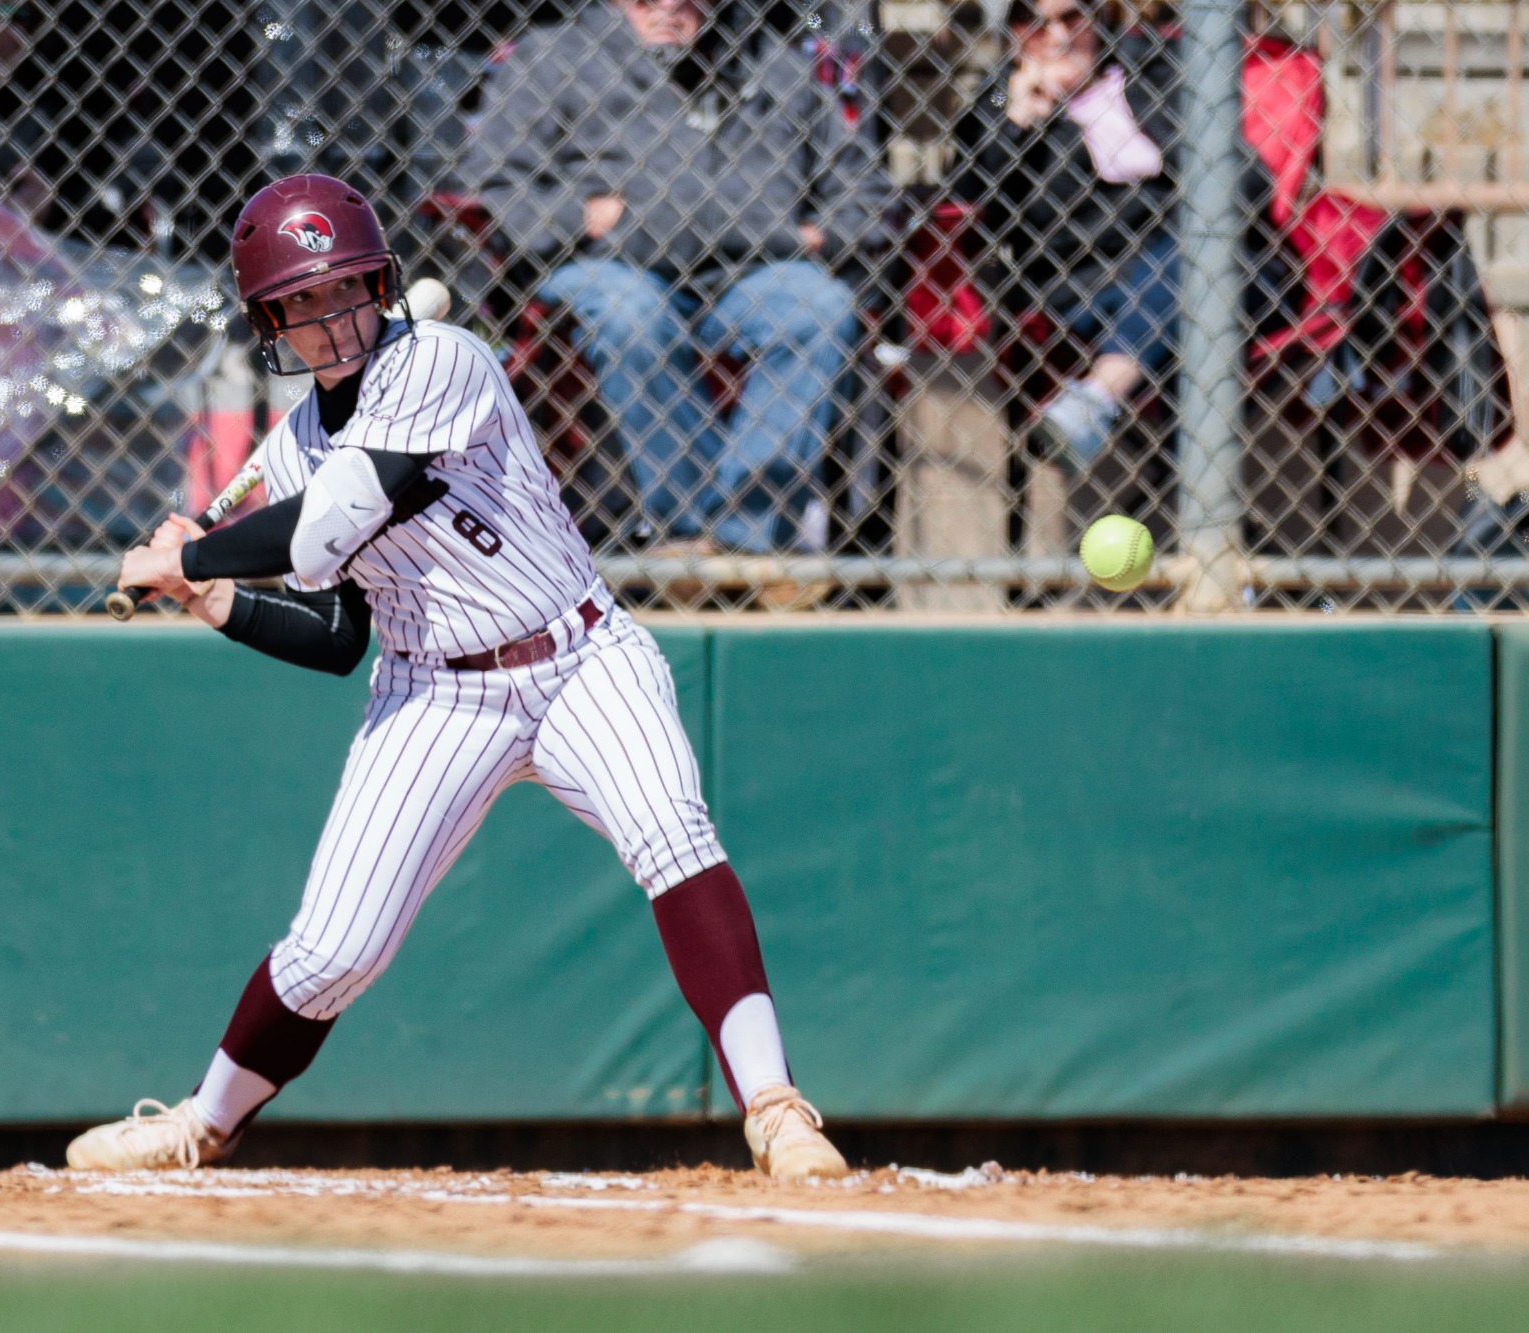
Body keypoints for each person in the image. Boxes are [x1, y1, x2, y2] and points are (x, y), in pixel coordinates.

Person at [75, 173, 848, 1181]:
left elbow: (327, 525)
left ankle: (777, 1110)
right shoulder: (294, 444)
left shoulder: (441, 358)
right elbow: (335, 636)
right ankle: (202, 1122)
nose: (330, 318)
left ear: (381, 283)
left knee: (671, 834)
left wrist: (192, 553)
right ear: (270, 319)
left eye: (344, 287)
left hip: (578, 657)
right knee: (331, 952)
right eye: (300, 302)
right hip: (433, 694)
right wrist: (208, 596)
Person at [460, 0, 892, 552]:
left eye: (688, 1)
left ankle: (743, 541)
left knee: (820, 307)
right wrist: (578, 214)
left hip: (749, 273)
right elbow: (494, 187)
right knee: (629, 313)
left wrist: (819, 233)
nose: (669, 11)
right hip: (607, 266)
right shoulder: (552, 58)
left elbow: (861, 188)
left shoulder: (775, 66)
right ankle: (690, 535)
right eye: (647, 0)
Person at [950, 0, 1186, 468]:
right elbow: (969, 197)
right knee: (1195, 298)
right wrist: (1017, 121)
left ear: (1096, 18)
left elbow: (1244, 175)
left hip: (1191, 252)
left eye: (1071, 17)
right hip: (1088, 279)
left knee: (1199, 255)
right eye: (1035, 22)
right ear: (1015, 31)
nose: (1057, 36)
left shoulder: (1148, 69)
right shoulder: (998, 93)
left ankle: (1098, 395)